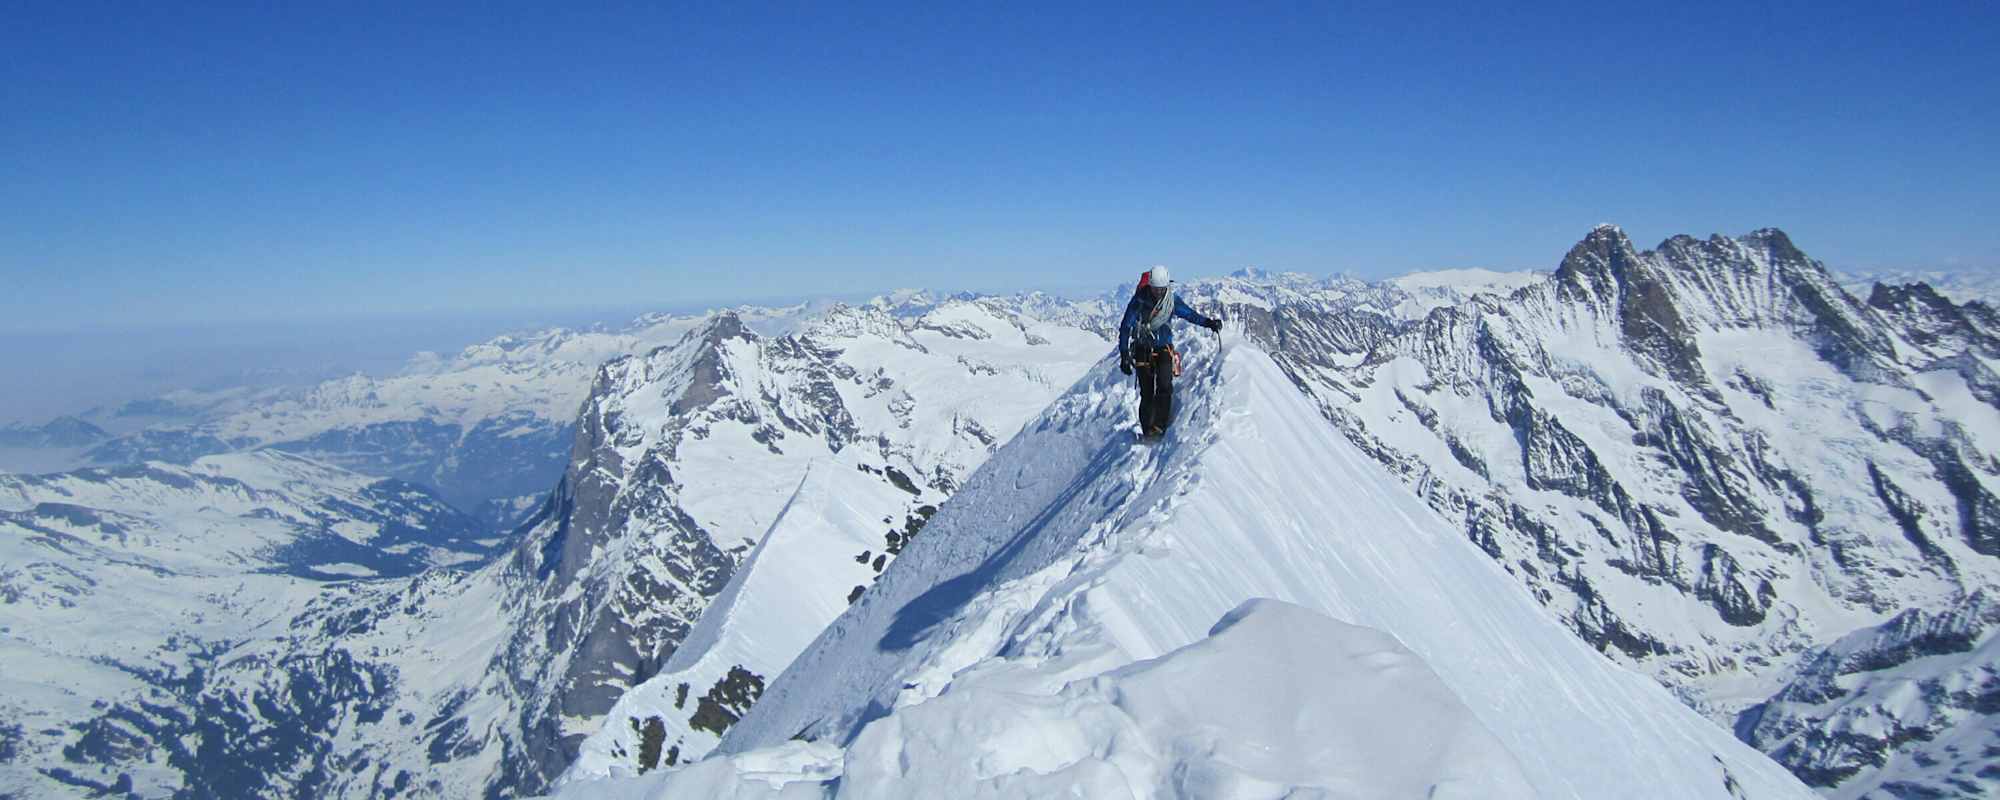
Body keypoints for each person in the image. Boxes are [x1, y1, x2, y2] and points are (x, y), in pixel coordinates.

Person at [1118, 266, 1223, 438]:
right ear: (1150, 286)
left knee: (1165, 386)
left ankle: (1159, 427)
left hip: (1162, 347)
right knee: (1147, 392)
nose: (1158, 293)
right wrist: (1124, 354)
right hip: (1143, 348)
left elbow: (1189, 314)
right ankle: (1148, 430)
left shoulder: (1170, 301)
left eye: (1161, 289)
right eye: (1155, 289)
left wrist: (1208, 323)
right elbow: (1126, 326)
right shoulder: (1140, 300)